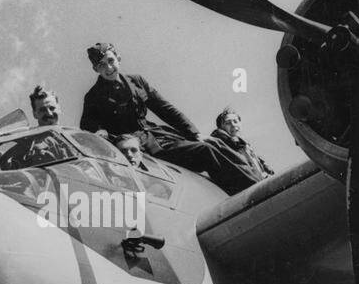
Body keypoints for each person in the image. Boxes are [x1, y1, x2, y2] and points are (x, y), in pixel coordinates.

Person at [78, 42, 243, 187]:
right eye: (101, 65)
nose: (108, 68)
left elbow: (165, 109)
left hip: (161, 137)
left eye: (111, 61)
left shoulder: (137, 81)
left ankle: (255, 182)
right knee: (205, 151)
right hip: (138, 149)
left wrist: (195, 133)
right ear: (95, 69)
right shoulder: (93, 97)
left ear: (118, 58)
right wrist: (101, 132)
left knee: (214, 145)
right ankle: (244, 191)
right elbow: (88, 127)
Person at [208, 108, 273, 193]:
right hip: (245, 190)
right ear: (221, 128)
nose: (233, 125)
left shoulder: (245, 146)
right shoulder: (221, 143)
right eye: (228, 123)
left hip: (260, 185)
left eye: (235, 121)